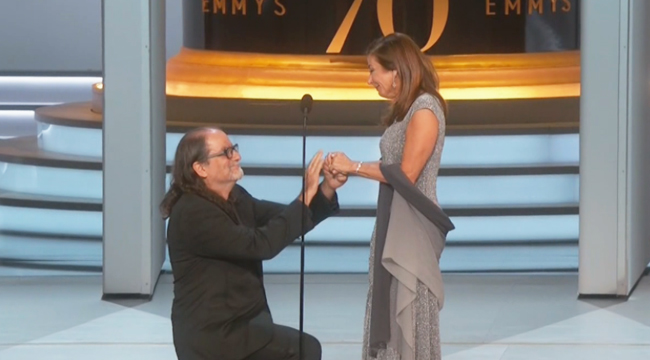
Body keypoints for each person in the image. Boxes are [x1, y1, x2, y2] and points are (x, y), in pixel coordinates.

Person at [160, 127, 347, 360]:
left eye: (234, 149)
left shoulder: (236, 196)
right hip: (214, 338)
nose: (236, 156)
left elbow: (287, 218)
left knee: (305, 349)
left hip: (244, 327)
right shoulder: (193, 212)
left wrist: (325, 188)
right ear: (200, 168)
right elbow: (261, 245)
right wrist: (305, 194)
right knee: (304, 350)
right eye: (226, 153)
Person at [326, 33, 455, 360]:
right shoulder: (405, 111)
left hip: (412, 229)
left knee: (408, 312)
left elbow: (406, 175)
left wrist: (352, 166)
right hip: (393, 224)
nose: (370, 80)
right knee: (388, 305)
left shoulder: (425, 108)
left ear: (396, 71)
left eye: (373, 71)